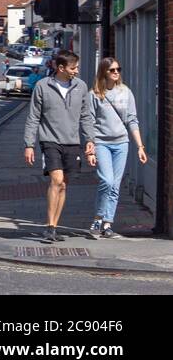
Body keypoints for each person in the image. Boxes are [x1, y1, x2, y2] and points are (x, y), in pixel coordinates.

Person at [23, 49, 97, 243]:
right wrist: (29, 144)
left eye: (77, 67)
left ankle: (55, 225)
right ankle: (49, 226)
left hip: (72, 142)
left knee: (64, 184)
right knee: (56, 180)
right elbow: (33, 117)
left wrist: (90, 139)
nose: (77, 71)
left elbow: (86, 116)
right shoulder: (42, 86)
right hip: (50, 141)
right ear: (61, 68)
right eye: (74, 68)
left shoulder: (80, 86)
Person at [89, 56, 148, 239]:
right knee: (106, 181)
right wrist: (90, 148)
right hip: (101, 143)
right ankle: (98, 216)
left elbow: (132, 120)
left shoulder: (126, 92)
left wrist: (140, 146)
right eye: (112, 70)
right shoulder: (94, 94)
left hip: (121, 143)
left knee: (115, 185)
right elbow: (89, 122)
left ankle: (107, 223)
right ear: (104, 72)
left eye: (118, 69)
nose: (116, 73)